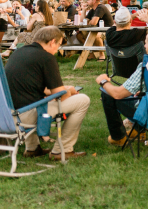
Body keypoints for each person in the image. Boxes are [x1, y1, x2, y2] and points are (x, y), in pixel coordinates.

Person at [5, 26, 90, 159]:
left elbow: (28, 86)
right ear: (52, 42)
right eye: (59, 46)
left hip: (7, 115)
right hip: (25, 116)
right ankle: (63, 150)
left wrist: (56, 92)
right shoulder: (46, 58)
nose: (57, 50)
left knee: (34, 99)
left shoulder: (18, 52)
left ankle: (32, 148)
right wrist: (69, 90)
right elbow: (61, 95)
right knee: (83, 100)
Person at [96, 27, 148, 146]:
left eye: (145, 43)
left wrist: (103, 81)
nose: (144, 46)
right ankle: (138, 131)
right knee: (142, 95)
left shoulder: (146, 66)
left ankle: (118, 137)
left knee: (107, 93)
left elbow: (118, 94)